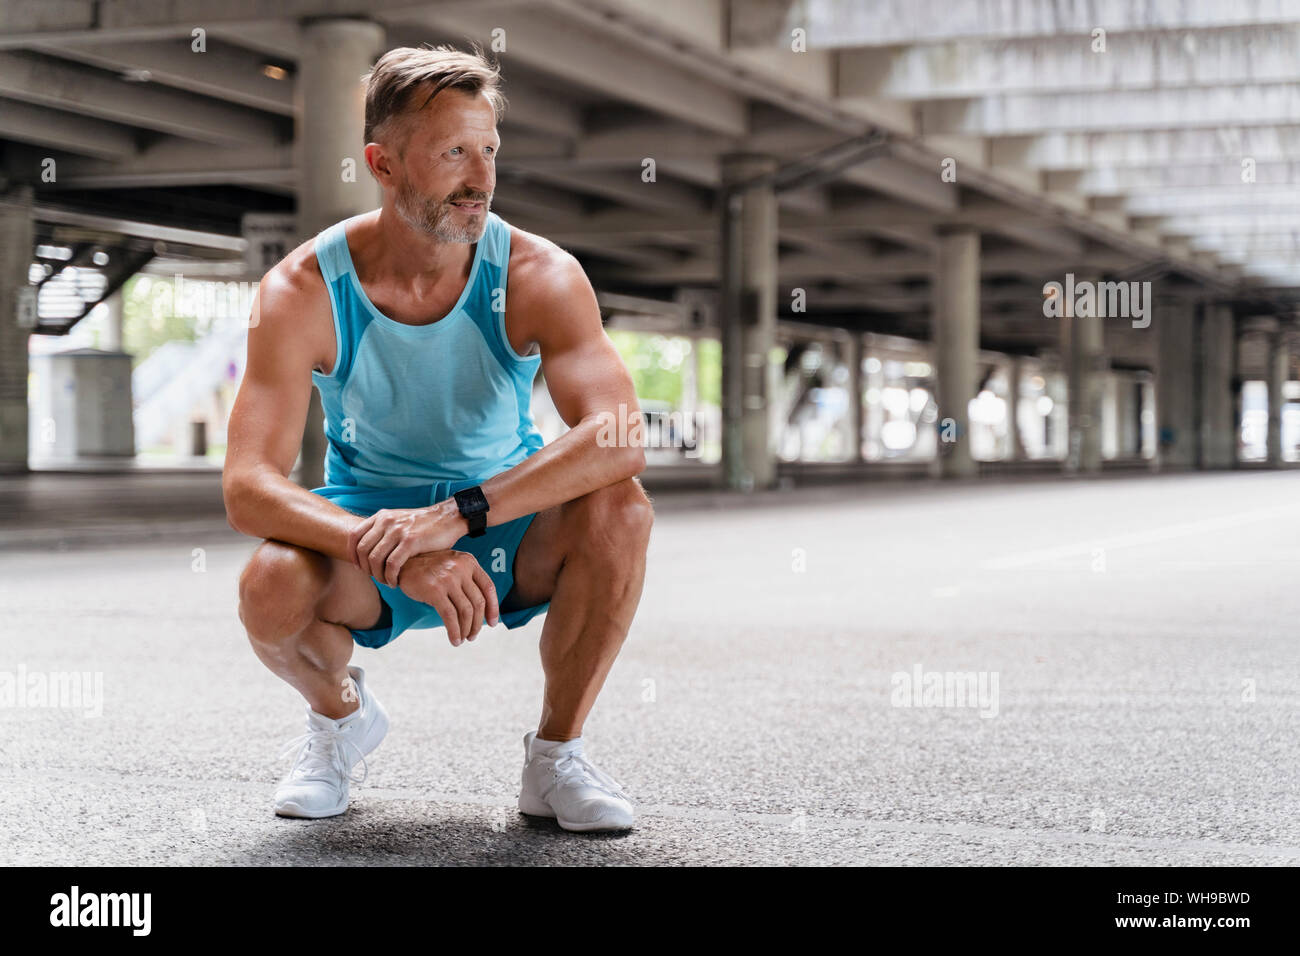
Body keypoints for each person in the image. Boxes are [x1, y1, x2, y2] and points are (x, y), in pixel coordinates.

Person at [222, 44, 654, 833]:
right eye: (453, 152)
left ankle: (556, 760)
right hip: (370, 533)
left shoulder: (538, 273)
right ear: (382, 165)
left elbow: (620, 435)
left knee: (621, 508)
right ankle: (340, 720)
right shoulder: (301, 289)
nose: (481, 177)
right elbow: (248, 485)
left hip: (500, 520)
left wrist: (456, 517)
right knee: (269, 584)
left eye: (488, 150)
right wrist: (392, 546)